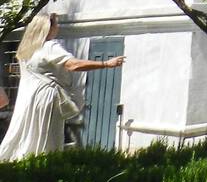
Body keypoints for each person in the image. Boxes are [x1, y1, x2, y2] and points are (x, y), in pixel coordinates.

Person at [0, 12, 124, 162]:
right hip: (46, 98)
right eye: (56, 24)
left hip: (27, 100)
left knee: (26, 134)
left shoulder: (25, 50)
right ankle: (44, 168)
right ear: (47, 28)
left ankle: (20, 166)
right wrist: (105, 64)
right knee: (47, 139)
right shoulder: (49, 46)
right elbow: (73, 64)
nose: (58, 28)